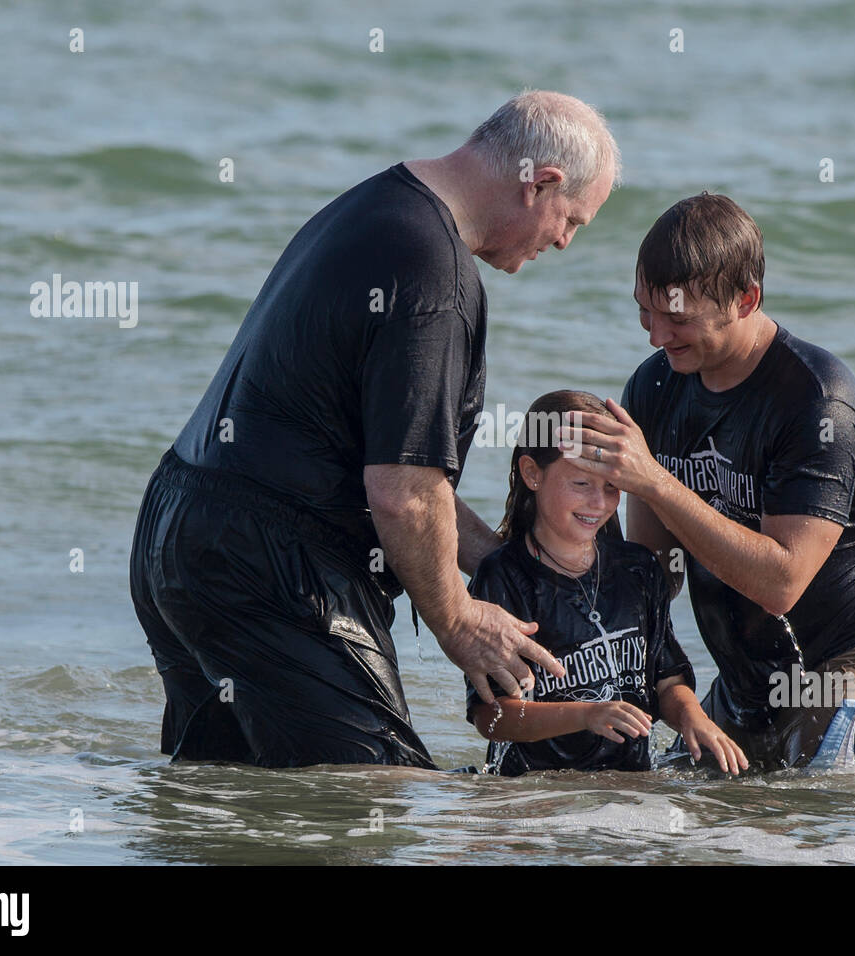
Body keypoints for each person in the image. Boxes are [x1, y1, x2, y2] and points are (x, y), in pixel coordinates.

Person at [128, 91, 620, 768]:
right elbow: (403, 494)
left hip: (179, 528)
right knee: (371, 794)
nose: (564, 241)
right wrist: (457, 621)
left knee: (230, 801)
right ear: (542, 183)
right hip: (272, 566)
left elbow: (392, 468)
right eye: (572, 220)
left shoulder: (375, 207)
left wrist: (508, 567)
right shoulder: (434, 272)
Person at [559, 193, 855, 774]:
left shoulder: (816, 401)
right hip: (744, 687)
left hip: (845, 663)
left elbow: (781, 582)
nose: (656, 336)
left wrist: (654, 482)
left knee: (836, 820)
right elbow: (656, 575)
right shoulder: (654, 388)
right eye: (645, 313)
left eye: (677, 318)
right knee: (645, 811)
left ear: (746, 298)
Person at [464, 390, 747, 777]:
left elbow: (667, 681)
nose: (598, 502)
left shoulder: (639, 569)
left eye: (611, 486)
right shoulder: (504, 578)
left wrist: (692, 718)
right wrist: (587, 715)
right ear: (532, 473)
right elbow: (491, 718)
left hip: (628, 796)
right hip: (534, 798)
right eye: (580, 483)